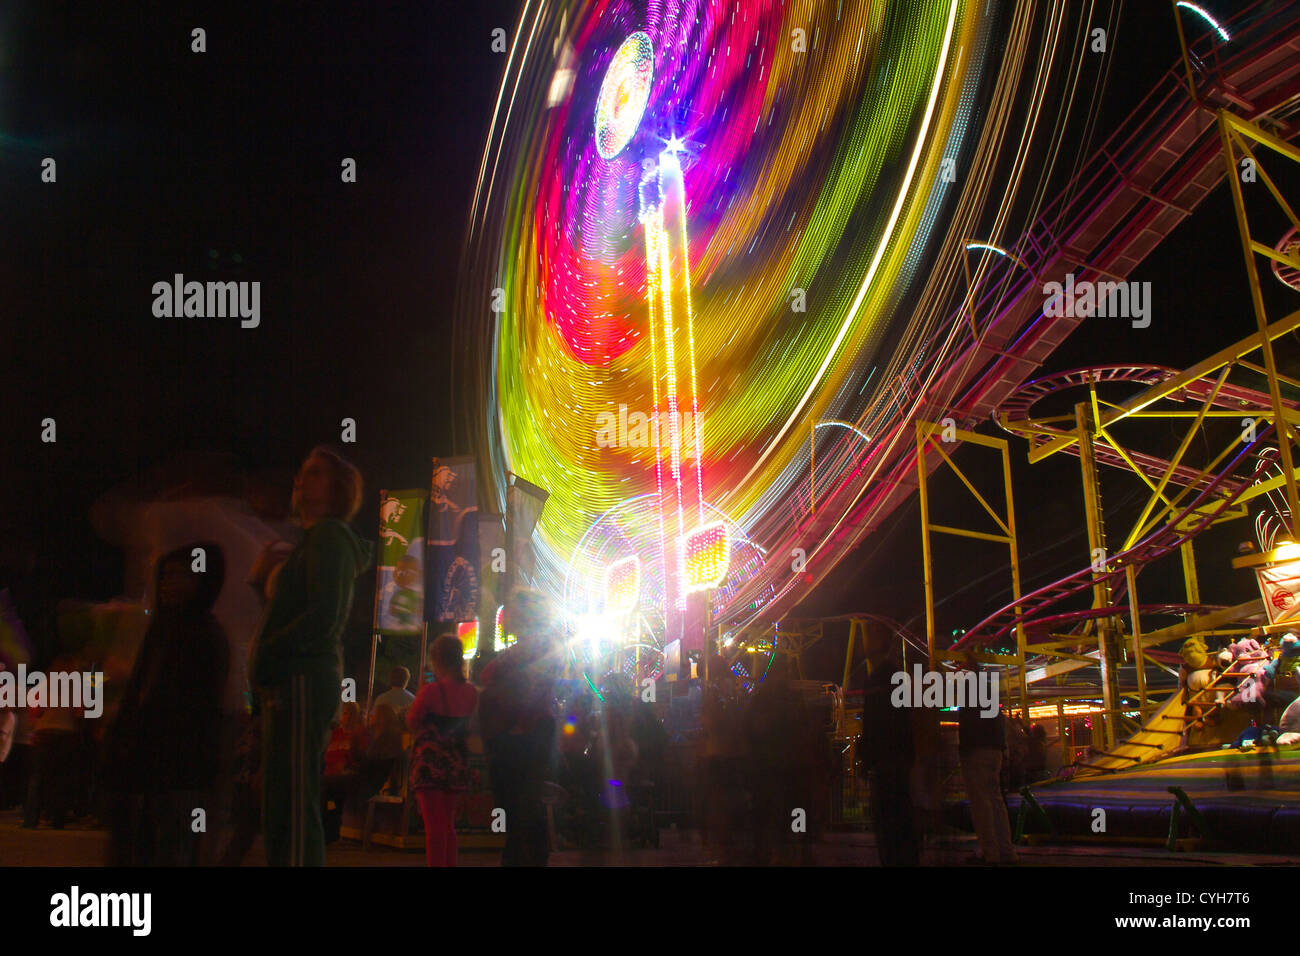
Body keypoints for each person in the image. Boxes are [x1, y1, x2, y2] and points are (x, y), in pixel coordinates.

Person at [249, 447, 373, 867]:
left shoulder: (330, 537)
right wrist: (260, 583)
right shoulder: (310, 543)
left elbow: (324, 617)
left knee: (294, 798)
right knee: (280, 798)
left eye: (316, 473)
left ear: (339, 489)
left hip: (301, 679)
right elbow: (290, 613)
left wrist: (269, 652)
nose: (301, 480)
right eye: (301, 472)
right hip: (286, 679)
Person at [105, 543, 230, 865]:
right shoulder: (161, 630)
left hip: (181, 769)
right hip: (151, 766)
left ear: (202, 581)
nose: (168, 583)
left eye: (180, 575)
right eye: (166, 575)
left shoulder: (204, 635)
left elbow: (197, 708)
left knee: (173, 847)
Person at [478, 590, 561, 866]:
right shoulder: (532, 648)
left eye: (512, 610)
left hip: (520, 733)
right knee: (516, 803)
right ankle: (520, 854)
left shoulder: (534, 649)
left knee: (519, 803)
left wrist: (518, 726)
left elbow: (532, 689)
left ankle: (522, 855)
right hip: (515, 731)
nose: (507, 616)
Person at [408, 635, 478, 866]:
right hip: (456, 762)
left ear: (437, 660)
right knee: (448, 825)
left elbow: (412, 721)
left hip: (430, 763)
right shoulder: (471, 691)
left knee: (433, 827)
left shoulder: (431, 691)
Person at [858, 621, 919, 865]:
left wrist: (867, 755)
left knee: (889, 821)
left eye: (871, 637)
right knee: (897, 820)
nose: (866, 642)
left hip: (888, 760)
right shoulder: (892, 675)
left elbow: (878, 722)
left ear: (881, 642)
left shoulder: (881, 678)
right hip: (895, 759)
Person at [957, 667, 1017, 865]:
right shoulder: (989, 691)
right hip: (994, 751)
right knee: (995, 800)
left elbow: (968, 723)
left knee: (981, 803)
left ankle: (990, 852)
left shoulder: (968, 691)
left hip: (976, 750)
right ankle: (1007, 850)